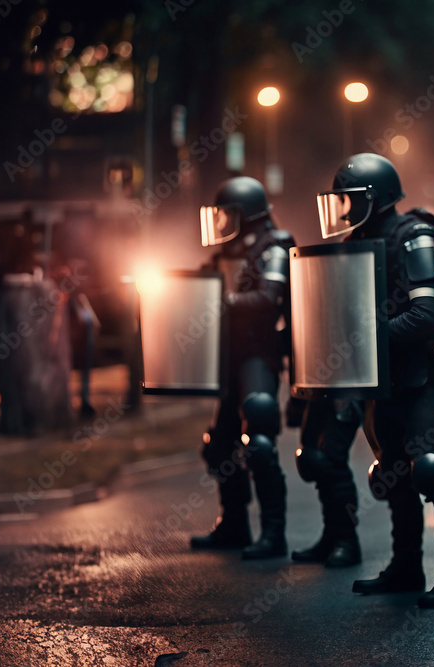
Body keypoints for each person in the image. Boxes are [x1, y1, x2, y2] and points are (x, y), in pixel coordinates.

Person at [317, 153, 434, 608]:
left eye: (349, 200)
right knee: (394, 475)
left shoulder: (415, 235)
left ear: (373, 198)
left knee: (431, 470)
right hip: (384, 381)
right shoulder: (359, 239)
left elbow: (427, 315)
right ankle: (406, 567)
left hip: (424, 377)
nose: (344, 210)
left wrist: (364, 338)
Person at [189, 176, 292, 560]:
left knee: (260, 443)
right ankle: (234, 525)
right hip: (231, 357)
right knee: (219, 447)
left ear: (244, 214)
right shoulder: (230, 252)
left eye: (226, 215)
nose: (219, 224)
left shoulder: (276, 245)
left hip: (258, 356)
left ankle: (273, 534)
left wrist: (220, 299)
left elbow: (268, 299)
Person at [290, 398, 363, 567]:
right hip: (316, 384)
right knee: (314, 456)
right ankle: (332, 536)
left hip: (347, 383)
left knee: (331, 456)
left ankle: (347, 540)